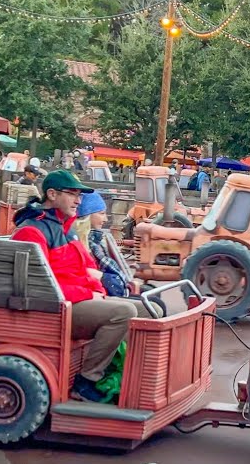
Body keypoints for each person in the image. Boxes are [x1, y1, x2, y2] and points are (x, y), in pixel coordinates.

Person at [11, 170, 149, 402]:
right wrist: (90, 294)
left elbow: (85, 269)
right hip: (53, 309)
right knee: (123, 313)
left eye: (79, 195)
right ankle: (87, 381)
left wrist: (99, 290)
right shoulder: (32, 231)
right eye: (72, 194)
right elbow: (39, 286)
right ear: (52, 194)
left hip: (75, 300)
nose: (78, 200)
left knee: (146, 308)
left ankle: (131, 376)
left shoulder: (66, 228)